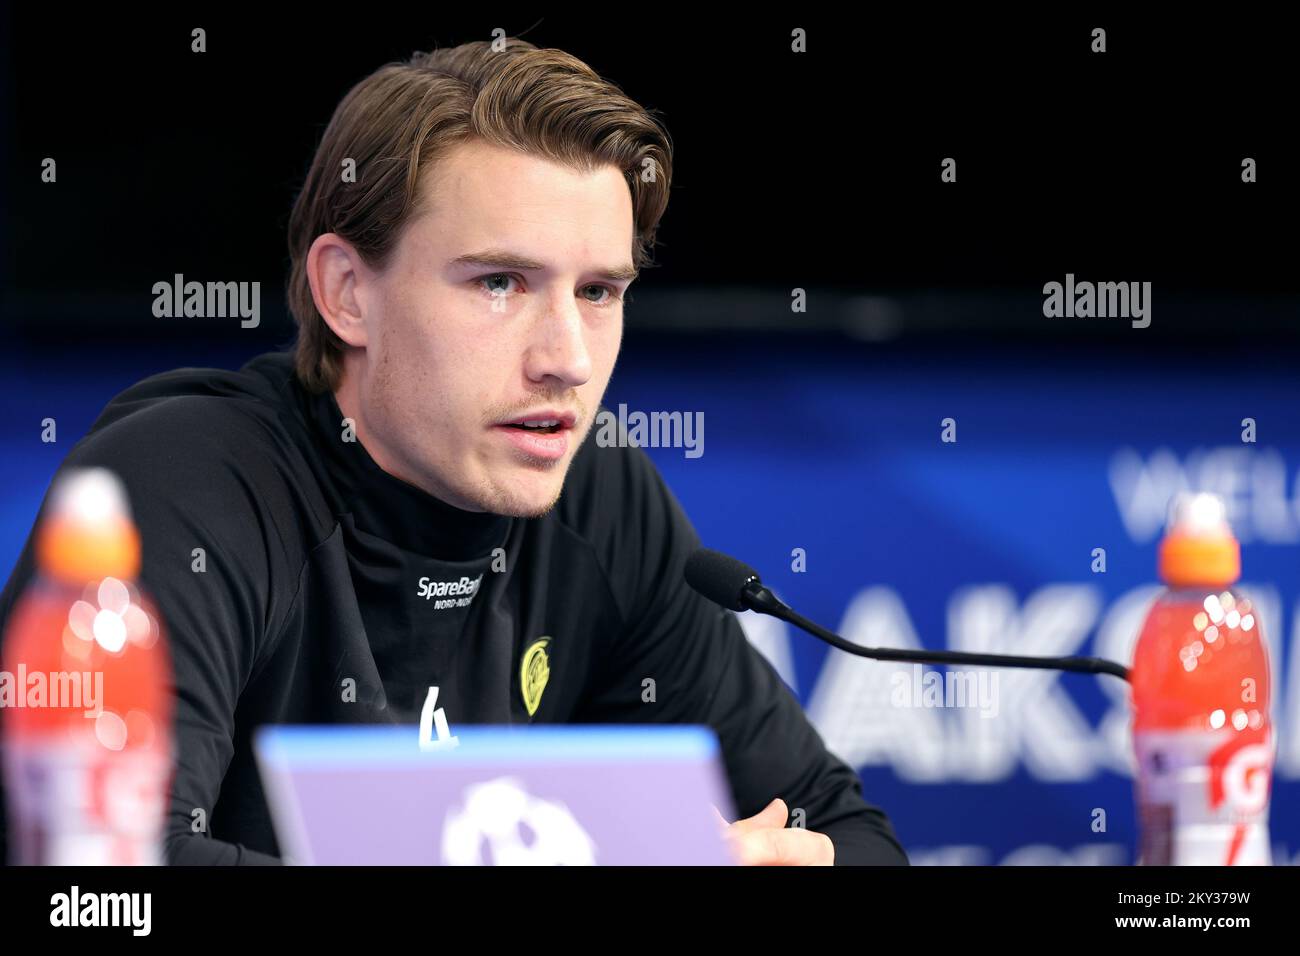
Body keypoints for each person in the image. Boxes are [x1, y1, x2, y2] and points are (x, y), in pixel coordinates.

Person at [0, 38, 906, 866]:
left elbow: (849, 835)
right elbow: (94, 882)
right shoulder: (182, 485)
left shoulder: (602, 501)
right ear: (347, 294)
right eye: (501, 283)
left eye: (598, 290)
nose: (568, 361)